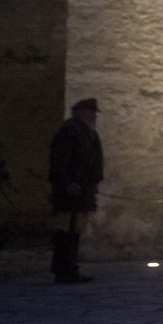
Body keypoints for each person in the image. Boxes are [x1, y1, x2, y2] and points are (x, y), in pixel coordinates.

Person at [49, 98, 103, 283]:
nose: (94, 115)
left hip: (83, 192)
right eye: (90, 111)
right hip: (69, 193)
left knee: (76, 231)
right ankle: (63, 270)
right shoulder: (70, 132)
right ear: (81, 112)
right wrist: (67, 183)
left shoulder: (89, 134)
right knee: (65, 232)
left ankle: (71, 268)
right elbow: (59, 162)